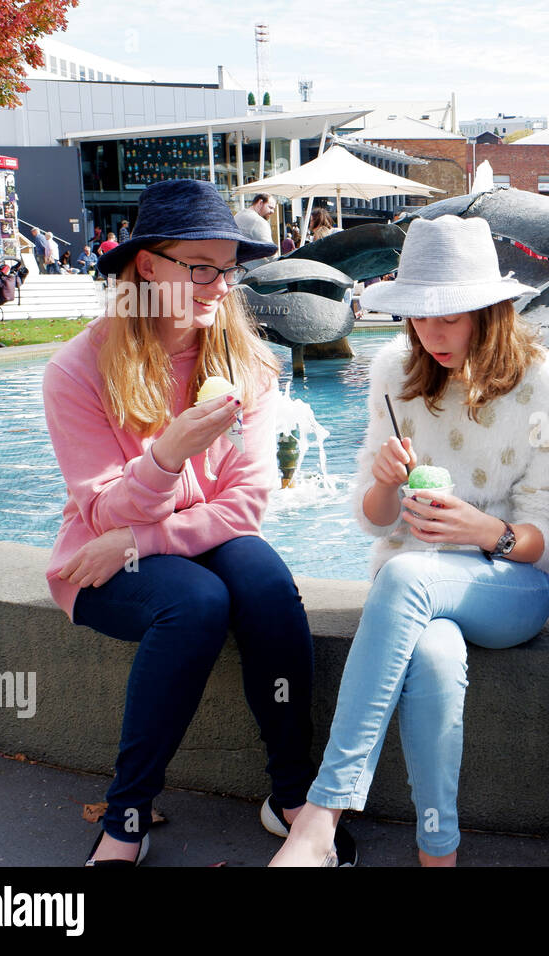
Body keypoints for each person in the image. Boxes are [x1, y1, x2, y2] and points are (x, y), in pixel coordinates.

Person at [42, 179, 354, 867]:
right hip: (105, 562)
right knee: (195, 602)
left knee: (266, 582)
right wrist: (166, 455)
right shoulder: (77, 370)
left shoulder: (247, 361)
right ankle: (126, 817)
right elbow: (101, 512)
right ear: (148, 266)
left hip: (175, 538)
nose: (220, 285)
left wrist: (147, 535)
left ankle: (292, 794)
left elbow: (248, 504)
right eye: (202, 267)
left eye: (229, 269)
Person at [270, 215, 549, 867]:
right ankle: (438, 851)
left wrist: (485, 531)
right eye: (417, 315)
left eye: (449, 315)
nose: (430, 333)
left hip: (513, 586)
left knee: (406, 578)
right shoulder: (395, 370)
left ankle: (321, 814)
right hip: (416, 586)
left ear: (490, 311)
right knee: (435, 658)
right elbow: (376, 521)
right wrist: (385, 483)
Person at [234, 193, 277, 265]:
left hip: (237, 268)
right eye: (270, 207)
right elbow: (271, 252)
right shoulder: (259, 221)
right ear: (260, 203)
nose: (272, 212)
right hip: (255, 271)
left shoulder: (238, 215)